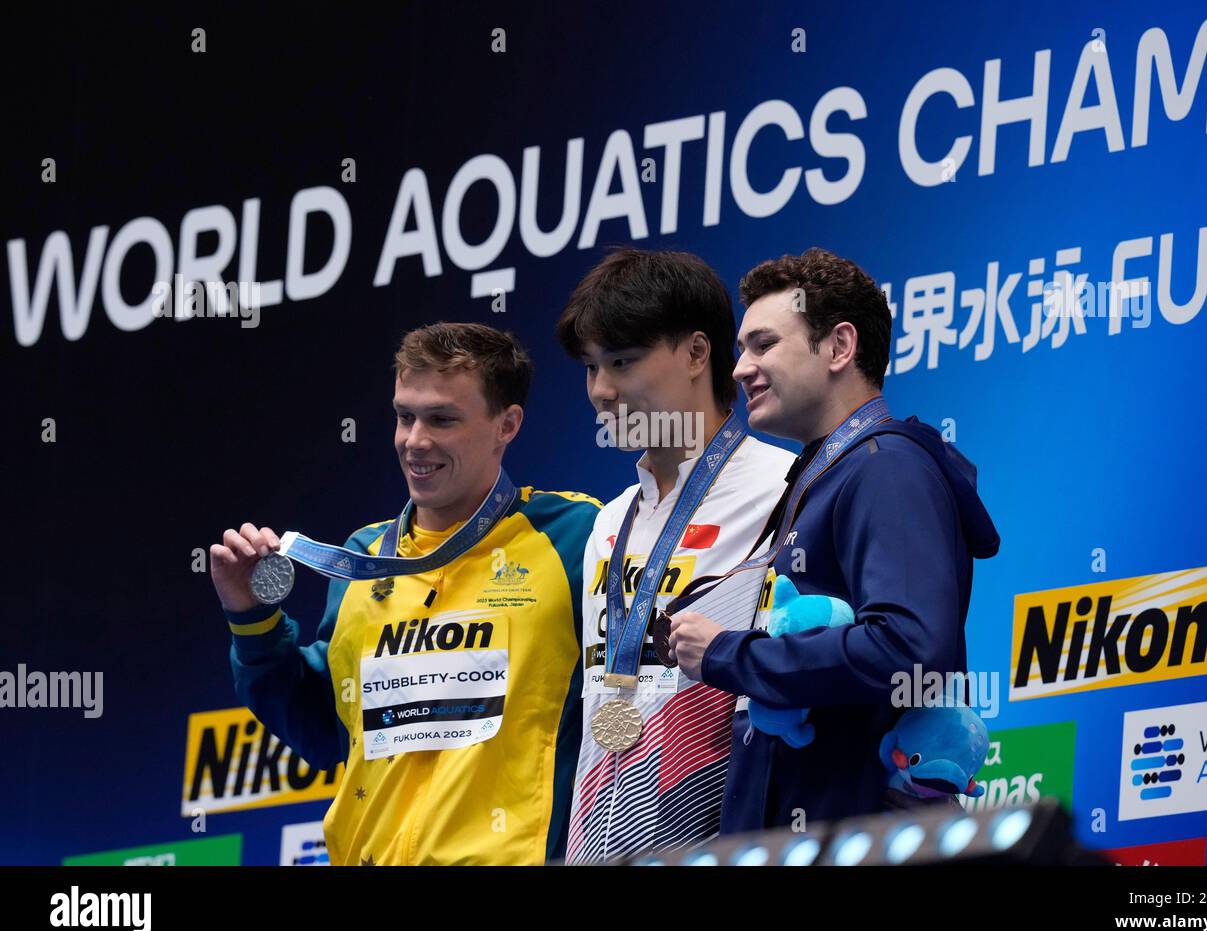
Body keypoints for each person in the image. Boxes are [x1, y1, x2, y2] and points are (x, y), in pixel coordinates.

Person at [210, 322, 599, 864]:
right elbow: (325, 734)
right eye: (404, 415)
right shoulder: (363, 556)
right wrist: (250, 617)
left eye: (442, 419)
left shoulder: (575, 535)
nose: (415, 441)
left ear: (506, 425)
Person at [667, 248, 1000, 833]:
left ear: (840, 348)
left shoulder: (886, 468)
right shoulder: (832, 471)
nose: (741, 367)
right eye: (741, 347)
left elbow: (907, 650)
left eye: (764, 345)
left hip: (858, 838)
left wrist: (730, 654)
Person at [555, 248, 794, 862]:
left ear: (696, 353)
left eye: (624, 361)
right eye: (591, 367)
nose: (602, 392)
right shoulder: (608, 524)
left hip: (732, 838)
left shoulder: (789, 490)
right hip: (603, 841)